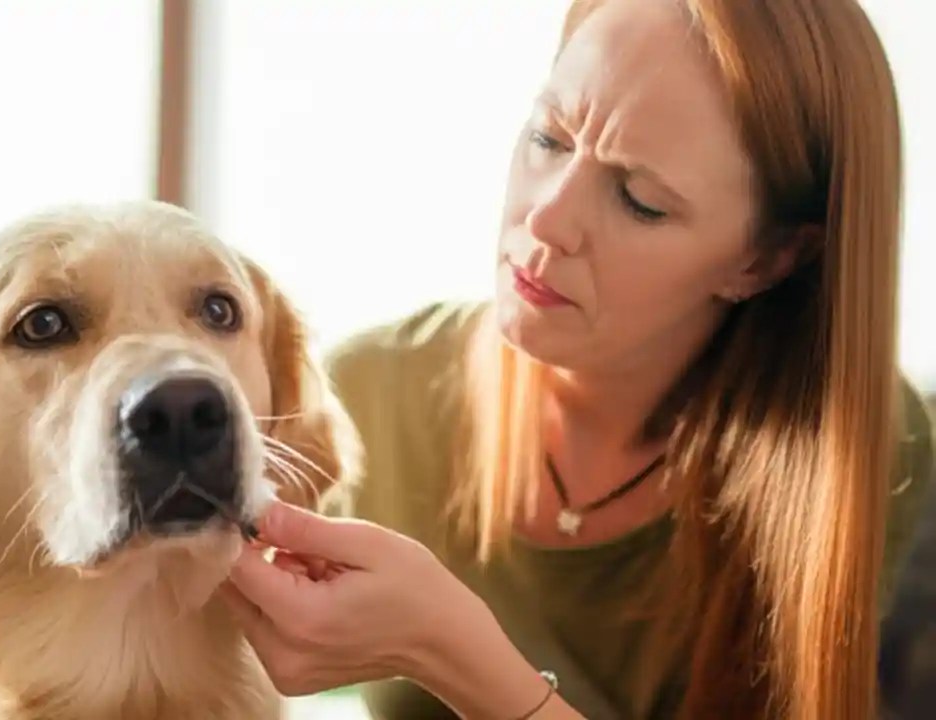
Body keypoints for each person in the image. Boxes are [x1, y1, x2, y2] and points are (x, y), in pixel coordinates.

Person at [217, 0, 935, 719]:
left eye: (640, 200)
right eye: (548, 138)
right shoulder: (370, 393)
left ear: (765, 259)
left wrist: (449, 650)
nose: (547, 219)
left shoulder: (857, 449)